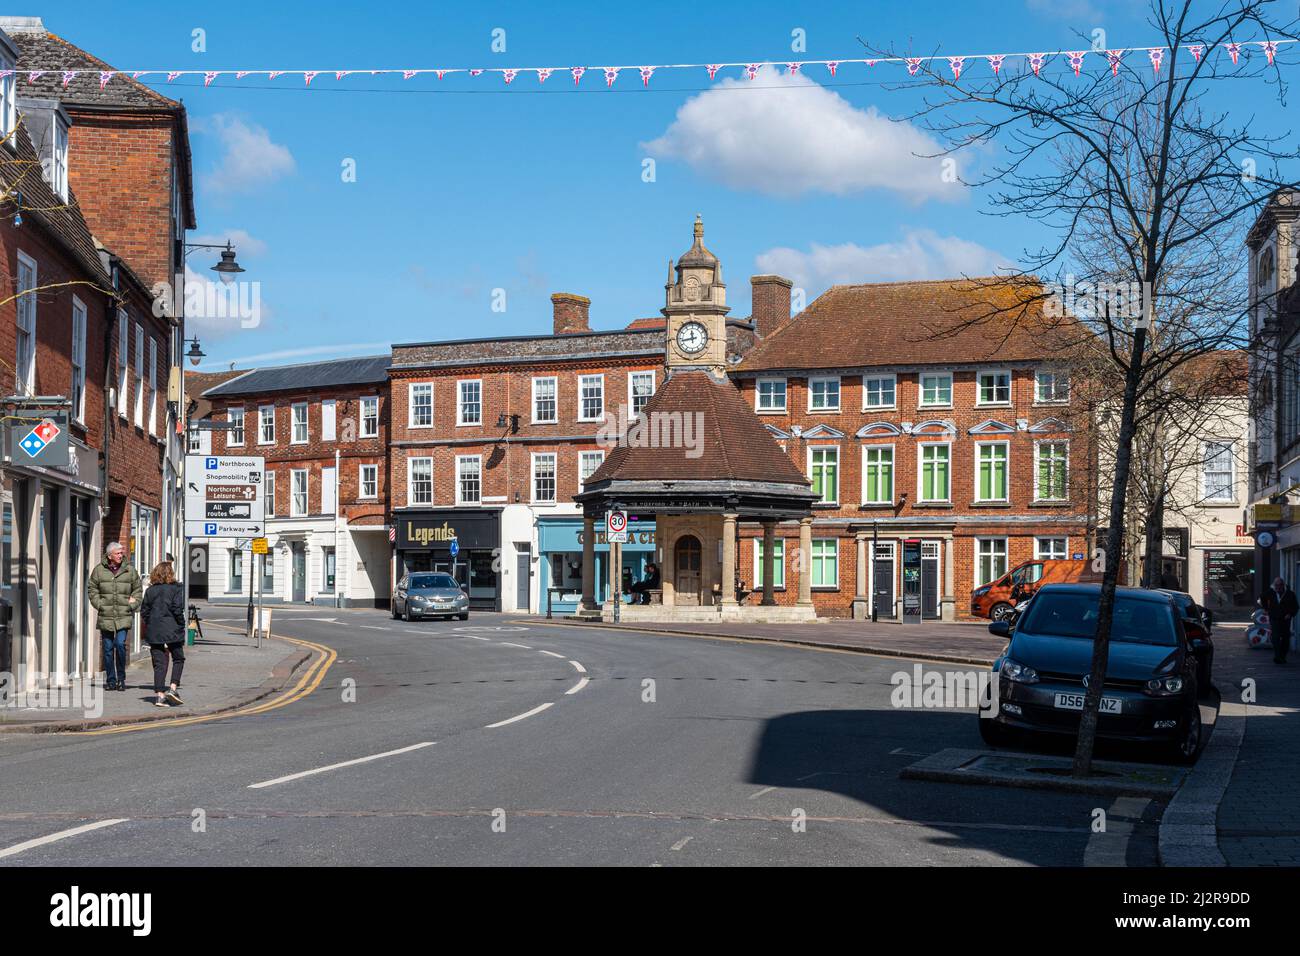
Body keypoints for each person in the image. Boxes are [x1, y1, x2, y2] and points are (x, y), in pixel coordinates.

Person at [87, 542, 142, 691]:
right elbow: (92, 589)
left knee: (119, 644)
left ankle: (121, 678)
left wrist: (132, 604)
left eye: (121, 553)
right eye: (117, 553)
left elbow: (138, 590)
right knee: (108, 649)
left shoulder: (130, 571)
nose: (120, 555)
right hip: (106, 616)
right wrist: (100, 604)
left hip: (123, 615)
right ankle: (111, 680)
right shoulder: (99, 570)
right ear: (109, 555)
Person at [140, 562, 186, 707]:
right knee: (178, 658)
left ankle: (160, 696)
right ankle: (172, 688)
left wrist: (151, 624)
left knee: (159, 663)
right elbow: (177, 608)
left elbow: (144, 611)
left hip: (154, 631)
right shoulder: (176, 588)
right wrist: (181, 624)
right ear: (170, 573)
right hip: (172, 628)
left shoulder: (150, 591)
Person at [1260, 576, 1299, 665]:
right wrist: (1266, 608)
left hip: (1286, 618)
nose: (1278, 587)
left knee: (1285, 638)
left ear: (1283, 585)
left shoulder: (1290, 594)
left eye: (1280, 585)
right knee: (1276, 637)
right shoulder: (1271, 592)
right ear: (1274, 585)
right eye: (1276, 585)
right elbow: (1262, 597)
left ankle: (1282, 656)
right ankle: (1277, 656)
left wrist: (1290, 614)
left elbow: (1296, 606)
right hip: (1275, 618)